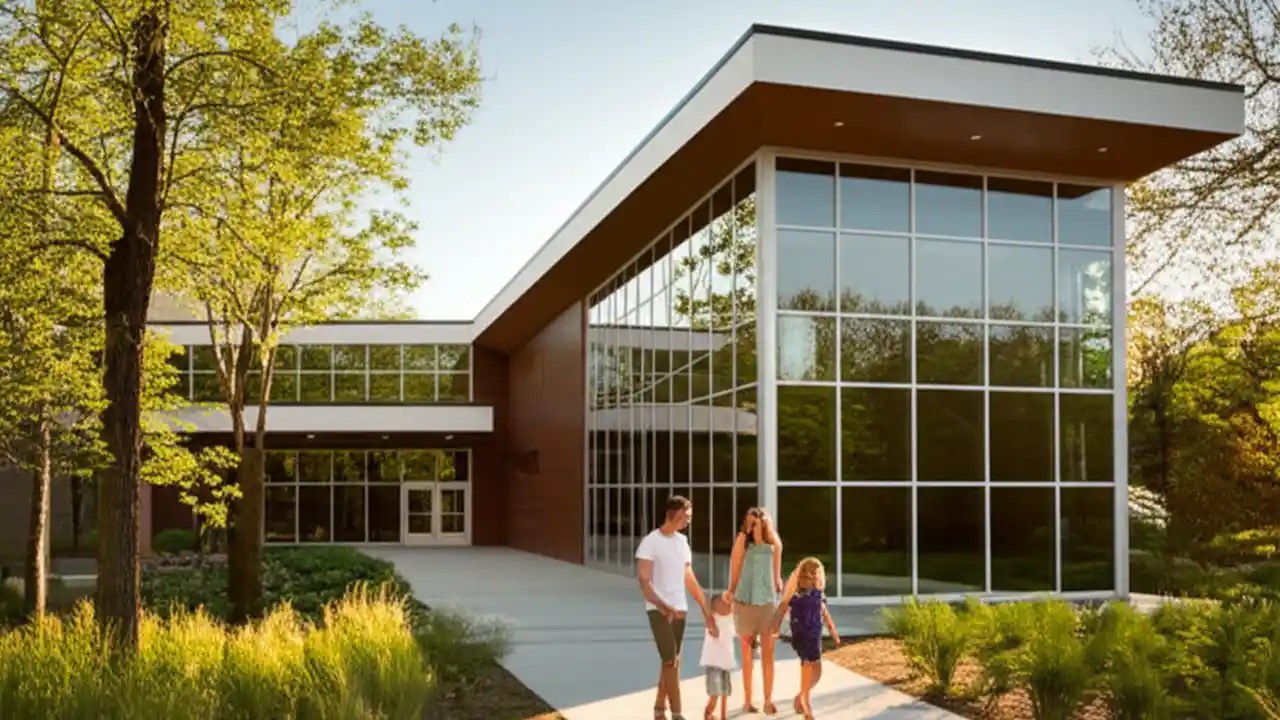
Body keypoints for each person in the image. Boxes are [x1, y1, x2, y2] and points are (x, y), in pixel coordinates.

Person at [637, 495, 717, 720]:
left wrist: (705, 607)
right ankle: (677, 712)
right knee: (671, 661)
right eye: (687, 517)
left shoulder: (682, 542)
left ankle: (659, 709)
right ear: (675, 514)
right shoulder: (650, 542)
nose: (688, 521)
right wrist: (662, 607)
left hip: (680, 609)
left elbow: (688, 576)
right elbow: (644, 581)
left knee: (670, 662)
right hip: (658, 610)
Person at [724, 507, 783, 714]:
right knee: (747, 655)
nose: (751, 526)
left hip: (767, 604)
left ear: (764, 522)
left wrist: (779, 585)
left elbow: (777, 576)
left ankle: (768, 699)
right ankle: (748, 700)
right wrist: (730, 592)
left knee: (768, 653)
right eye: (749, 522)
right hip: (745, 602)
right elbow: (735, 566)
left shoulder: (774, 545)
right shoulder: (742, 541)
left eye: (755, 522)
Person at [772, 557, 841, 720]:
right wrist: (775, 627)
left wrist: (833, 631)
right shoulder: (803, 596)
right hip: (807, 636)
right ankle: (806, 704)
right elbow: (783, 609)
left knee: (811, 668)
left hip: (807, 636)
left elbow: (823, 613)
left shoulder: (807, 596)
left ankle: (802, 696)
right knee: (810, 668)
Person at [699, 593, 736, 720]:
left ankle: (723, 716)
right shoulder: (712, 619)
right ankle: (708, 713)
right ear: (714, 607)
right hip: (713, 663)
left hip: (726, 662)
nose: (725, 604)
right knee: (715, 694)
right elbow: (704, 605)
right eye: (720, 602)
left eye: (727, 603)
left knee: (725, 692)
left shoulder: (732, 617)